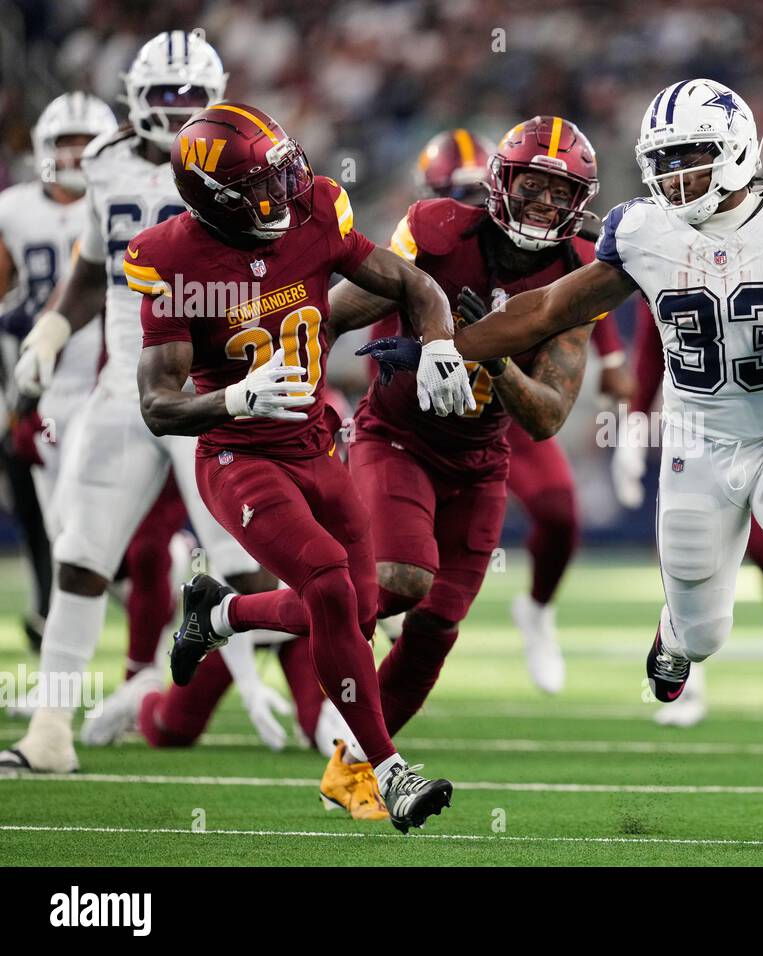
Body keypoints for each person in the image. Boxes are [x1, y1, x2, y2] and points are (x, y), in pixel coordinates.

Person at [436, 80, 763, 834]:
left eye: (691, 155)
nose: (675, 174)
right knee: (705, 634)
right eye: (662, 159)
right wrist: (445, 346)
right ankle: (674, 635)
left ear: (736, 149)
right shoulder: (643, 230)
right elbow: (550, 309)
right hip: (693, 446)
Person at [131, 101, 471, 833]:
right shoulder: (170, 257)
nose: (285, 193)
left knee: (361, 604)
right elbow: (158, 406)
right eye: (263, 184)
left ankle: (219, 613)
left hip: (316, 446)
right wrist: (232, 396)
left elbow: (412, 284)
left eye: (286, 172)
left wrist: (439, 342)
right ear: (215, 201)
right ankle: (386, 773)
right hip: (237, 454)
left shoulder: (316, 210)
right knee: (323, 580)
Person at [0, 32, 282, 776]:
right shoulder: (105, 162)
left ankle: (339, 722)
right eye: (166, 96)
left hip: (214, 390)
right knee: (80, 556)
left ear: (217, 92)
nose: (180, 109)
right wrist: (52, 332)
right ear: (134, 96)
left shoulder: (247, 159)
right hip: (125, 389)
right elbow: (92, 270)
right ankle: (51, 731)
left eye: (192, 96)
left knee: (255, 565)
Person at [337, 115, 609, 751]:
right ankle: (242, 609)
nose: (545, 202)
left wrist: (492, 350)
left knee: (436, 626)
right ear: (500, 182)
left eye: (560, 191)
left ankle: (352, 769)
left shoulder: (580, 270)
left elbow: (545, 417)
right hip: (398, 436)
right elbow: (342, 310)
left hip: (481, 458)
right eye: (533, 185)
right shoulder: (436, 229)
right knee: (402, 582)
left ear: (580, 203)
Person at [614, 297, 763, 725]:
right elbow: (654, 346)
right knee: (688, 558)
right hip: (698, 430)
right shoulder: (663, 251)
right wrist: (633, 428)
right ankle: (686, 674)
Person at [0, 92, 117, 650]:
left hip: (113, 381)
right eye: (64, 143)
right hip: (40, 389)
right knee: (59, 528)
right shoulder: (14, 209)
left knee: (101, 529)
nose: (74, 156)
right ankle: (56, 628)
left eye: (84, 143)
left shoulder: (123, 201)